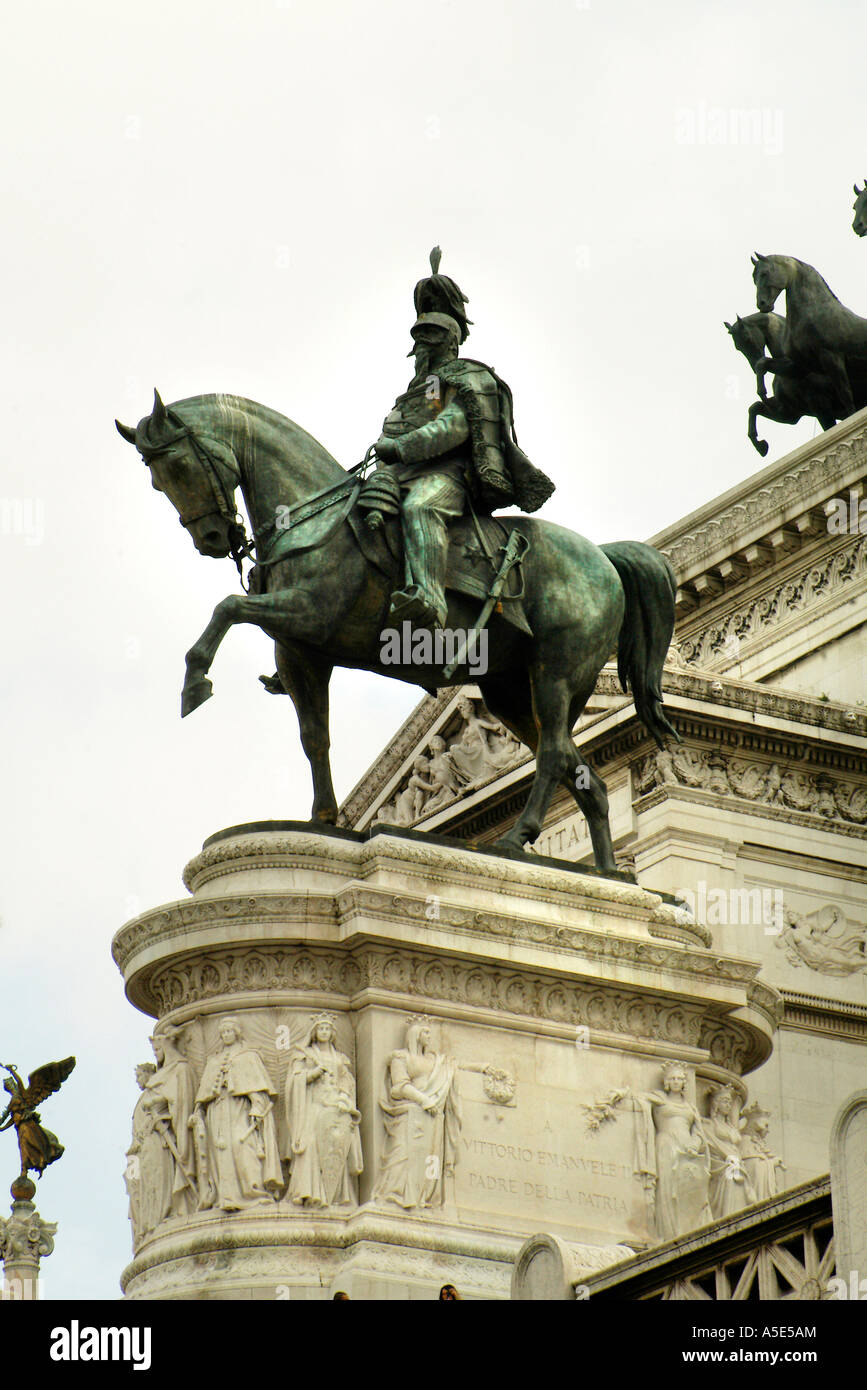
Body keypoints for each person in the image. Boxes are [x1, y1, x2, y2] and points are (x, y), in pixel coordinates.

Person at [364, 249, 554, 631]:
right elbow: (398, 425)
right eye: (418, 340)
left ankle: (428, 598)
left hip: (449, 477)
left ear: (449, 342)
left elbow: (452, 428)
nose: (421, 348)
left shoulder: (468, 377)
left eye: (429, 340)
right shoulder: (419, 389)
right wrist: (387, 451)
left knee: (421, 509)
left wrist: (400, 447)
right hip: (400, 473)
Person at [193, 1017, 283, 1210]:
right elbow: (204, 1093)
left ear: (237, 1033)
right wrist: (199, 1110)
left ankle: (254, 1191)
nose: (226, 1035)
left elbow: (257, 1089)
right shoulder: (214, 1060)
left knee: (243, 1147)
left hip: (240, 1109)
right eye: (223, 1032)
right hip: (218, 1110)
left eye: (229, 1031)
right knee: (220, 1151)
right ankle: (226, 1197)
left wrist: (257, 1105)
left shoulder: (247, 1056)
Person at [283, 1014, 363, 1207]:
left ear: (332, 1033)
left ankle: (334, 1196)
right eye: (321, 1029)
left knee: (336, 1146)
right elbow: (294, 1080)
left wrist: (344, 1096)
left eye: (327, 1029)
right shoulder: (305, 1054)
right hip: (313, 1107)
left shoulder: (340, 1058)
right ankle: (308, 1192)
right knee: (310, 1143)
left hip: (335, 1106)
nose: (324, 1032)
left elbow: (347, 1080)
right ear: (314, 1033)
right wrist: (312, 1074)